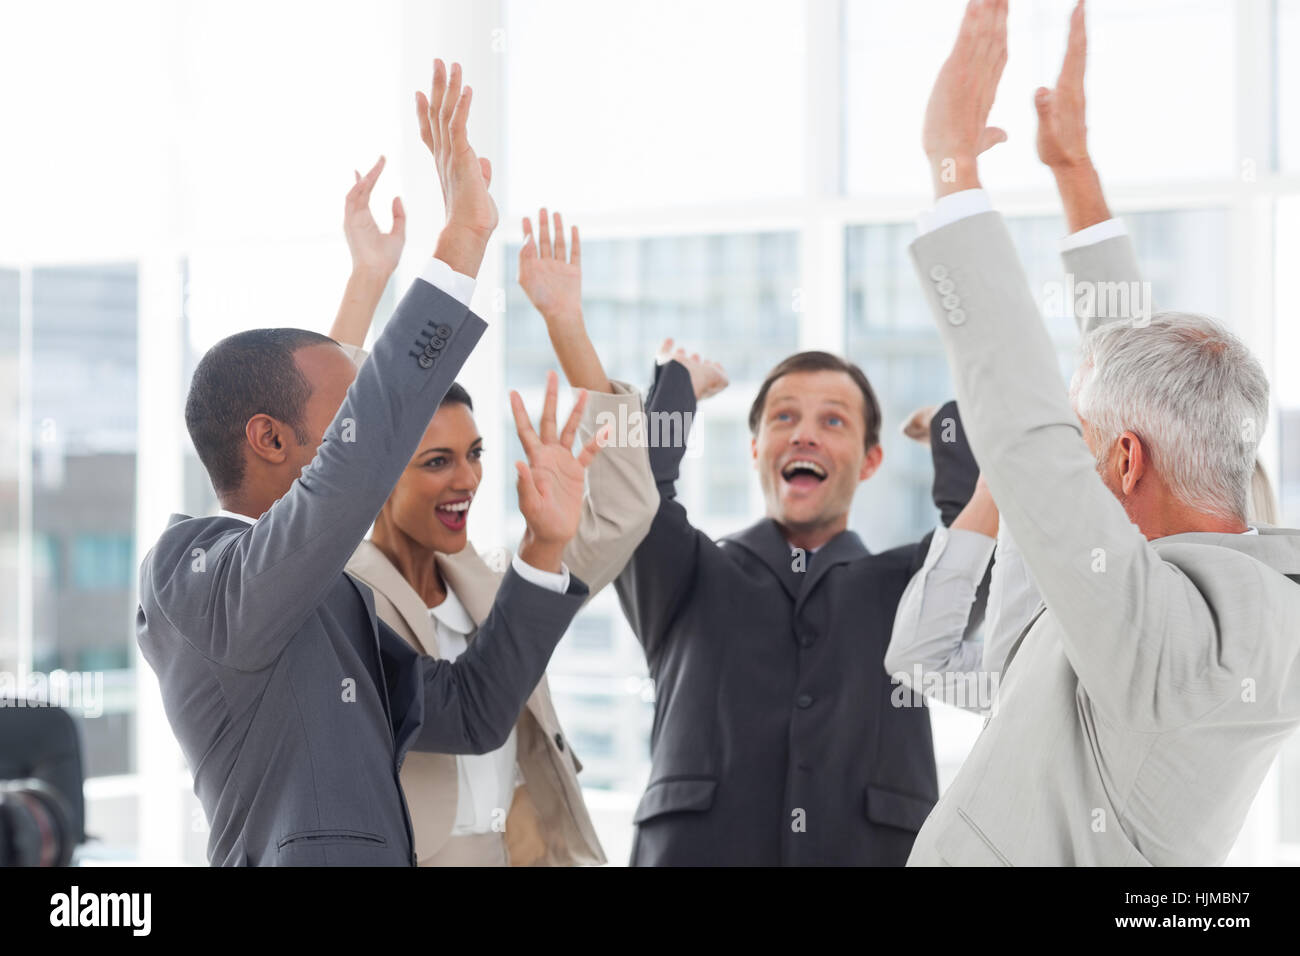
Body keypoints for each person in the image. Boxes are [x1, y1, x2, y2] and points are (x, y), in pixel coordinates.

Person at [136, 60, 602, 866]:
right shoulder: (188, 573)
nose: (378, 438)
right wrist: (459, 243)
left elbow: (476, 710)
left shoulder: (337, 600)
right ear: (270, 440)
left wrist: (545, 549)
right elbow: (343, 482)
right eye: (350, 417)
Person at [907, 0, 1300, 866]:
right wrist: (1074, 172)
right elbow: (1122, 389)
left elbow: (1028, 433)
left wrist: (952, 170)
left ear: (1122, 461)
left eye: (1083, 441)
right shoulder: (1230, 600)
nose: (1067, 460)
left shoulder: (1174, 639)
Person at [328, 167, 662, 864]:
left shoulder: (499, 581)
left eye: (474, 453)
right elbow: (323, 446)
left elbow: (628, 507)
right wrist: (366, 282)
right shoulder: (338, 593)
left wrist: (566, 326)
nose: (469, 479)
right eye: (437, 461)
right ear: (377, 475)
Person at [611, 287, 980, 863]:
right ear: (756, 448)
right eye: (785, 417)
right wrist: (678, 386)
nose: (804, 434)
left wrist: (949, 432)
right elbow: (637, 498)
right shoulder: (688, 574)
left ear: (871, 460)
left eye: (833, 421)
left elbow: (976, 549)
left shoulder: (907, 584)